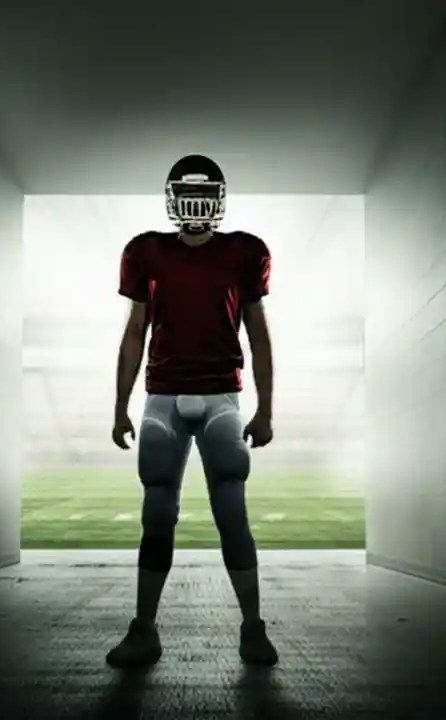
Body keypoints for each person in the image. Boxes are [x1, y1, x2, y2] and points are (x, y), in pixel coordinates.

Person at [105, 154, 279, 668]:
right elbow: (135, 331)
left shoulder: (244, 251)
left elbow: (258, 331)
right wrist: (119, 405)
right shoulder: (146, 251)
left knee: (232, 516)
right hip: (163, 396)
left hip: (222, 394)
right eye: (184, 191)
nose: (193, 203)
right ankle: (144, 630)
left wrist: (267, 407)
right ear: (169, 196)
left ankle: (253, 627)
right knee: (156, 515)